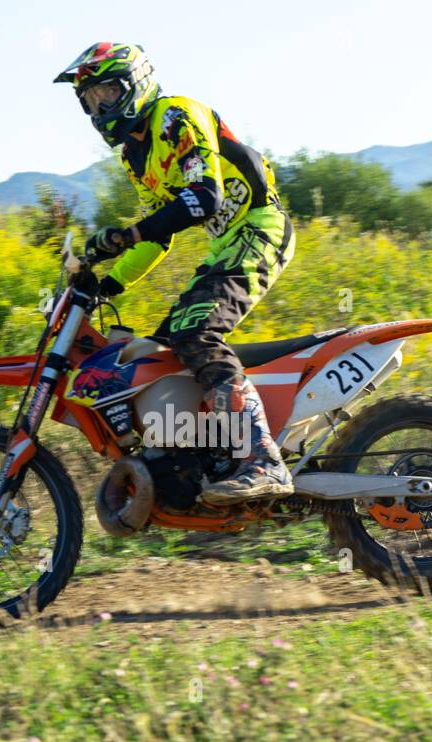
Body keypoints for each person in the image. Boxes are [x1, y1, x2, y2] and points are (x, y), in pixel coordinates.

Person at [54, 42, 296, 503]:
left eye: (105, 93)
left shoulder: (174, 116)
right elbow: (157, 236)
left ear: (134, 85)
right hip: (228, 245)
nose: (99, 108)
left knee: (194, 332)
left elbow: (202, 197)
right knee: (161, 349)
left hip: (260, 229)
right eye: (89, 101)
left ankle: (264, 461)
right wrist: (107, 285)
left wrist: (127, 234)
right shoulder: (134, 154)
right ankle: (201, 461)